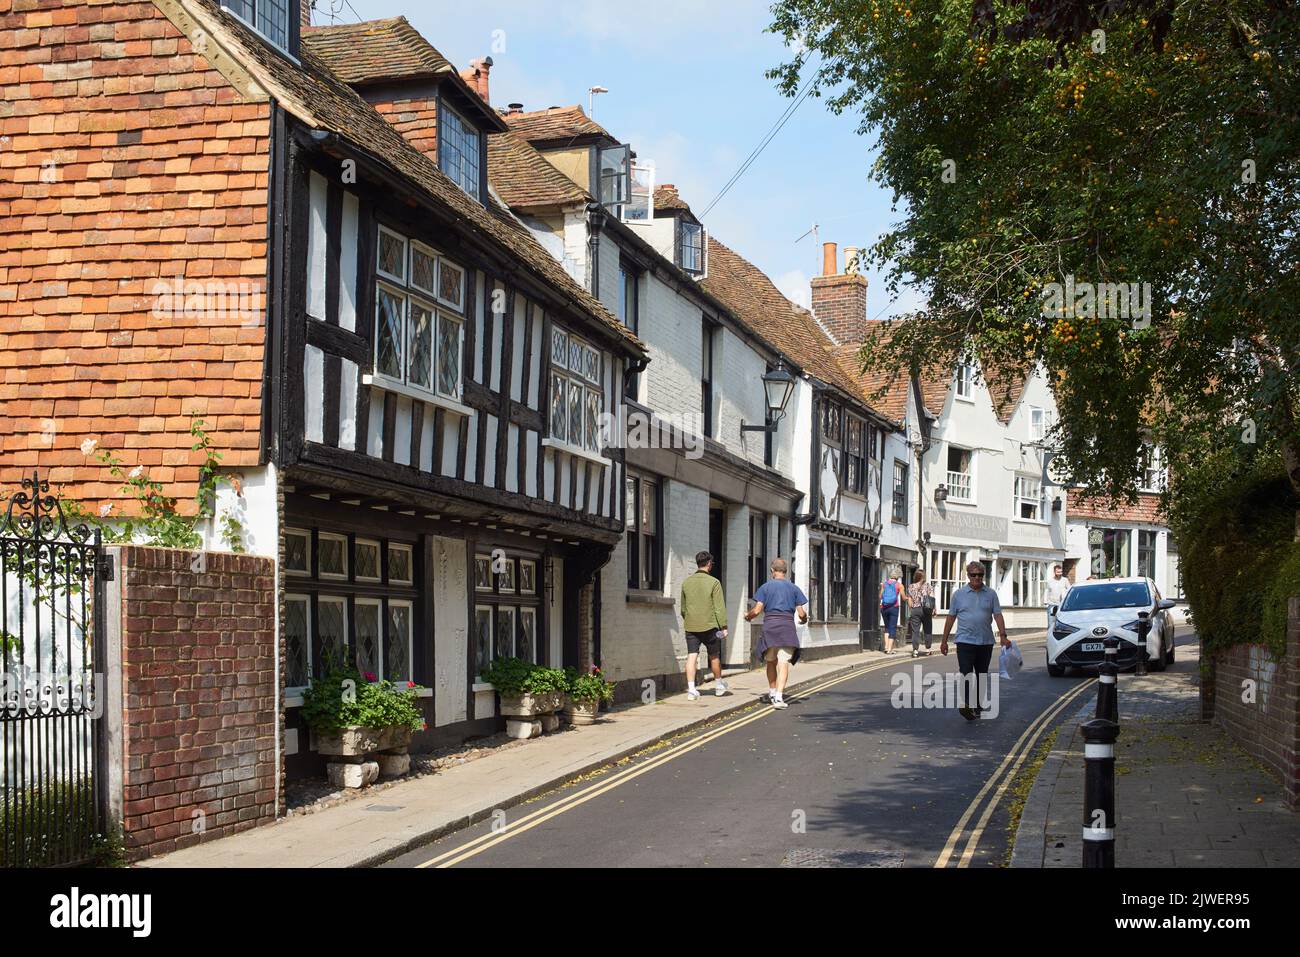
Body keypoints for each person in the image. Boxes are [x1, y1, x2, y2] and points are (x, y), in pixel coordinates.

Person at [940, 561, 1011, 721]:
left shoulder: (991, 594)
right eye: (973, 575)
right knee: (965, 671)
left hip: (985, 641)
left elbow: (998, 615)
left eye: (980, 575)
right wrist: (944, 641)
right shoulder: (958, 595)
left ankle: (977, 706)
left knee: (981, 674)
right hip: (964, 641)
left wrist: (1003, 635)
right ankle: (966, 704)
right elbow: (951, 617)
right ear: (968, 575)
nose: (977, 578)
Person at [744, 557, 808, 710]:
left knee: (771, 661)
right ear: (785, 572)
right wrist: (804, 620)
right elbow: (801, 613)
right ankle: (779, 696)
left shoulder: (765, 587)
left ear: (772, 571)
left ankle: (772, 692)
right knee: (783, 662)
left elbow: (758, 610)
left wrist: (748, 616)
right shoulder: (794, 588)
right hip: (787, 628)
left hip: (770, 627)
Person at [679, 551, 728, 699]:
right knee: (714, 656)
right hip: (710, 625)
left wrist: (689, 619)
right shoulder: (714, 582)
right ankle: (719, 685)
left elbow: (683, 608)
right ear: (708, 564)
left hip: (691, 625)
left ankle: (691, 690)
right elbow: (719, 607)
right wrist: (724, 626)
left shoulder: (686, 582)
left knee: (691, 656)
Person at [905, 570, 934, 658]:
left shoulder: (911, 586)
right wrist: (933, 609)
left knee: (915, 631)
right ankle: (928, 649)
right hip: (926, 610)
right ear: (923, 577)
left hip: (915, 610)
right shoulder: (928, 586)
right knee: (928, 630)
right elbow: (932, 598)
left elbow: (909, 600)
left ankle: (915, 651)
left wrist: (912, 609)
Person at [880, 571, 903, 654]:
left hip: (884, 607)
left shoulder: (884, 584)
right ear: (897, 578)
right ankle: (890, 649)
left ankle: (886, 647)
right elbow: (903, 597)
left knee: (887, 627)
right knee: (892, 627)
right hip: (894, 608)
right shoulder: (899, 585)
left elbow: (880, 596)